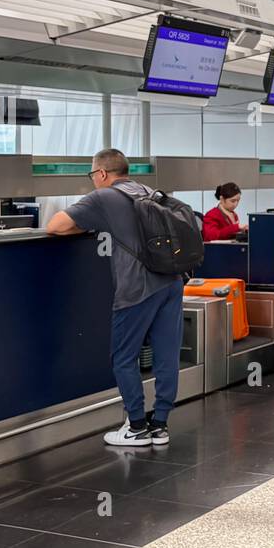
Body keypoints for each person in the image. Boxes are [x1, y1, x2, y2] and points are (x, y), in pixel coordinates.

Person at [46, 149, 183, 447]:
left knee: (123, 357)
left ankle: (136, 426)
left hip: (137, 287)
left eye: (93, 175)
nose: (93, 180)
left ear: (103, 174)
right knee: (167, 354)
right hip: (171, 281)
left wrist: (82, 224)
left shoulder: (103, 197)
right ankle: (160, 425)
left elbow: (54, 226)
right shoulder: (148, 191)